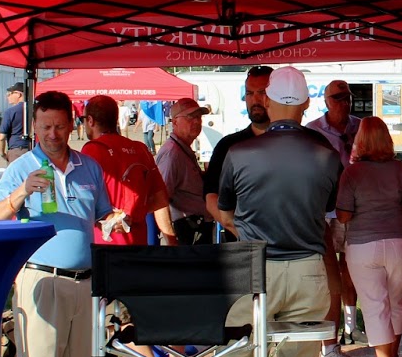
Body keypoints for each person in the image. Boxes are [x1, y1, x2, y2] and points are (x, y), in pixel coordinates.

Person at [181, 66, 340, 357]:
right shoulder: (326, 153)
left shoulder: (241, 152)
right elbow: (326, 210)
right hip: (307, 268)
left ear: (267, 100)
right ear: (307, 104)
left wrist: (245, 227)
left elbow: (225, 209)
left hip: (251, 268)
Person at [0, 90, 129, 357]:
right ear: (33, 126)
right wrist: (20, 194)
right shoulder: (22, 168)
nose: (53, 134)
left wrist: (114, 219)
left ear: (73, 125)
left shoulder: (88, 167)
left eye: (60, 126)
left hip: (84, 282)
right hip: (41, 279)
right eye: (45, 126)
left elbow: (102, 213)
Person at [338, 116, 402, 357]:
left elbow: (343, 215)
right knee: (397, 303)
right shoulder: (400, 169)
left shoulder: (351, 173)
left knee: (376, 306)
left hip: (363, 246)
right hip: (400, 243)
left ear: (360, 141)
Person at [309, 78, 364, 357]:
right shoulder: (313, 131)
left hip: (357, 209)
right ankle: (328, 344)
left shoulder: (361, 127)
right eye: (338, 97)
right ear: (327, 100)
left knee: (352, 270)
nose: (345, 102)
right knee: (329, 276)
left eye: (348, 97)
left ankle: (351, 327)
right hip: (328, 213)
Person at [81, 95, 172, 246]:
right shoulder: (140, 149)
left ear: (90, 120)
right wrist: (135, 213)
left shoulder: (92, 150)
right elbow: (160, 199)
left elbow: (81, 201)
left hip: (104, 245)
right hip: (138, 242)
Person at [205, 65, 272, 234]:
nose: (255, 100)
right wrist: (241, 233)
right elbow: (211, 196)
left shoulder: (300, 142)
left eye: (262, 92)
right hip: (242, 246)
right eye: (249, 93)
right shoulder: (228, 146)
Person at [156, 97, 214, 245]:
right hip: (187, 230)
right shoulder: (172, 154)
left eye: (198, 117)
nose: (196, 121)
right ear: (174, 122)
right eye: (190, 117)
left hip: (195, 228)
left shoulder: (182, 148)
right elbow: (160, 202)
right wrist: (171, 241)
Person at [0, 81, 31, 164]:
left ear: (19, 94)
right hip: (34, 149)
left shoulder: (10, 112)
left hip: (16, 151)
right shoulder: (35, 109)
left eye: (10, 94)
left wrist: (2, 153)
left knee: (16, 175)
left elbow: (1, 137)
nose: (8, 96)